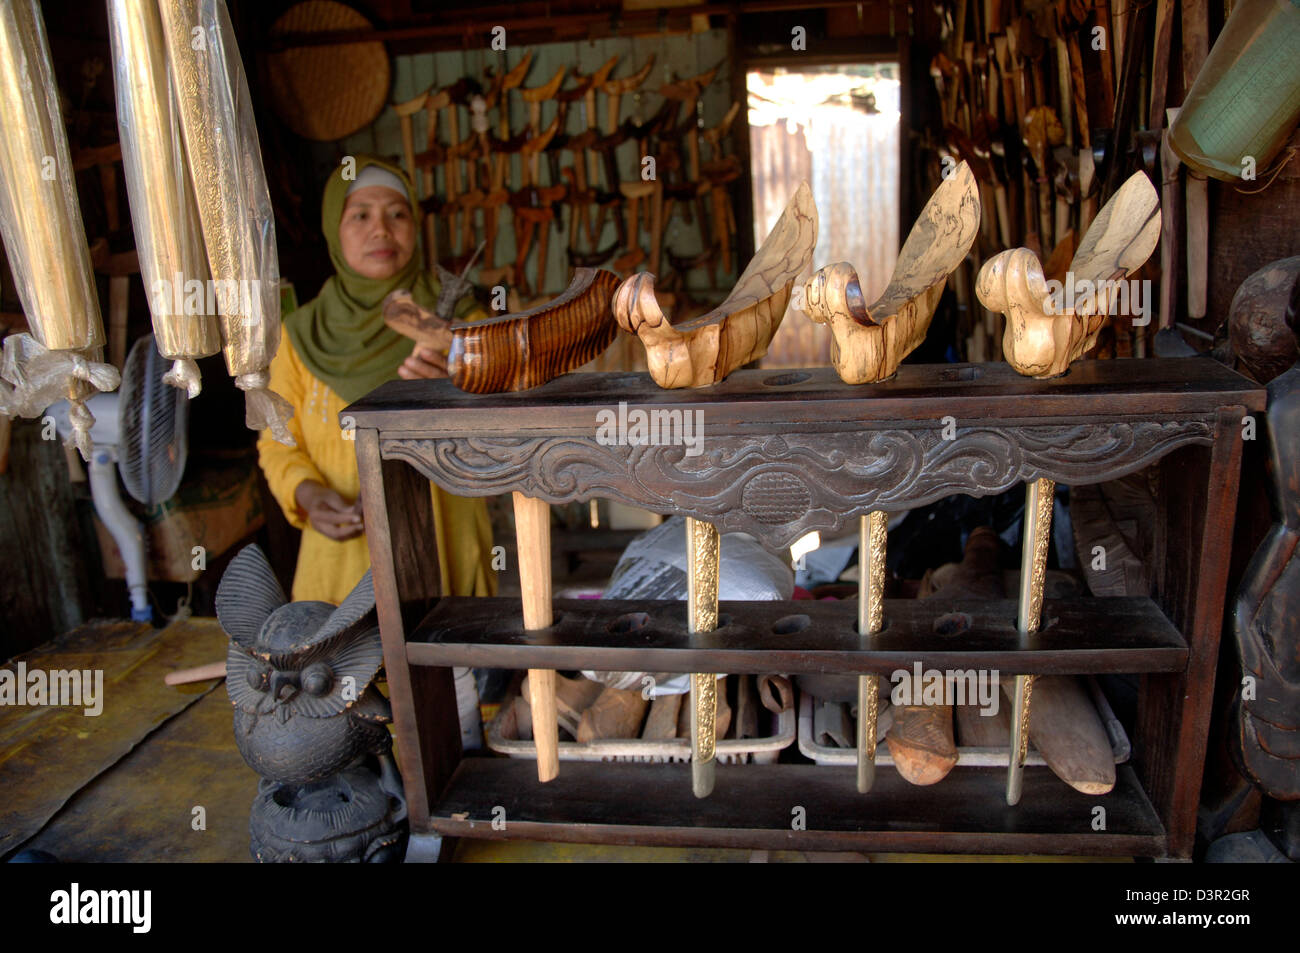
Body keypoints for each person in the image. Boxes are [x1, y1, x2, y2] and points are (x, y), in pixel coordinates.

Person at [258, 155, 495, 605]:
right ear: (334, 228)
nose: (381, 229)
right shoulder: (297, 337)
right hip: (339, 570)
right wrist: (307, 495)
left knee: (452, 671)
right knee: (347, 673)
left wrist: (457, 389)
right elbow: (277, 441)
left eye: (397, 213)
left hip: (446, 560)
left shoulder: (466, 327)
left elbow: (504, 438)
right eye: (360, 215)